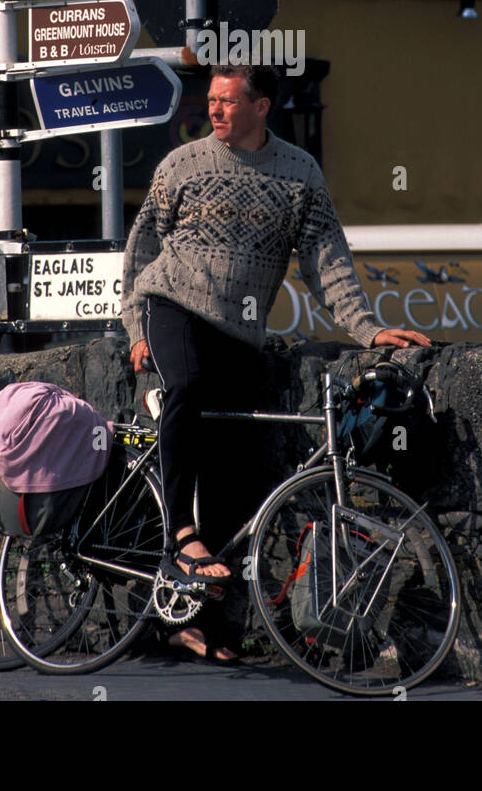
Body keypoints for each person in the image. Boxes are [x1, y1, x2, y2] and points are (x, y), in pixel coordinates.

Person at [122, 63, 430, 662]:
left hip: (239, 328)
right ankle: (179, 537)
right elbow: (141, 252)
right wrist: (136, 327)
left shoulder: (299, 173)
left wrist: (368, 330)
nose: (213, 111)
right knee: (185, 387)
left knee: (234, 470)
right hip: (173, 306)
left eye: (227, 102)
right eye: (209, 100)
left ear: (262, 107)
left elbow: (326, 261)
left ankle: (199, 623)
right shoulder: (182, 166)